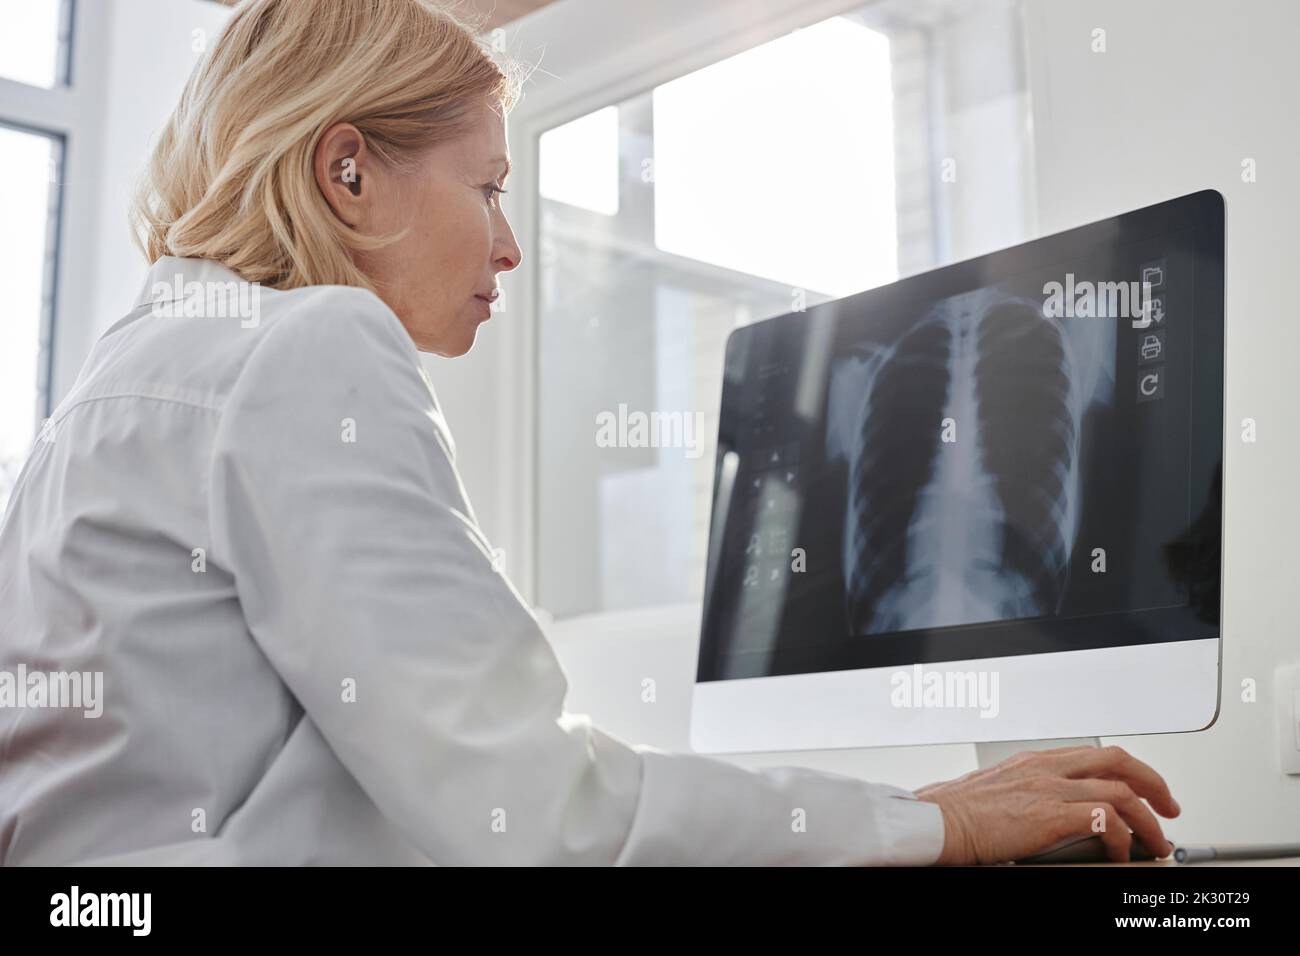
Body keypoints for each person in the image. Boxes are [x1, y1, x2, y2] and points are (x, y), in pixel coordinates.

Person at [0, 0, 1179, 866]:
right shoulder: (308, 349)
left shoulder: (114, 387)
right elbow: (536, 812)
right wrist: (944, 822)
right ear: (347, 172)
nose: (508, 246)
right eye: (489, 187)